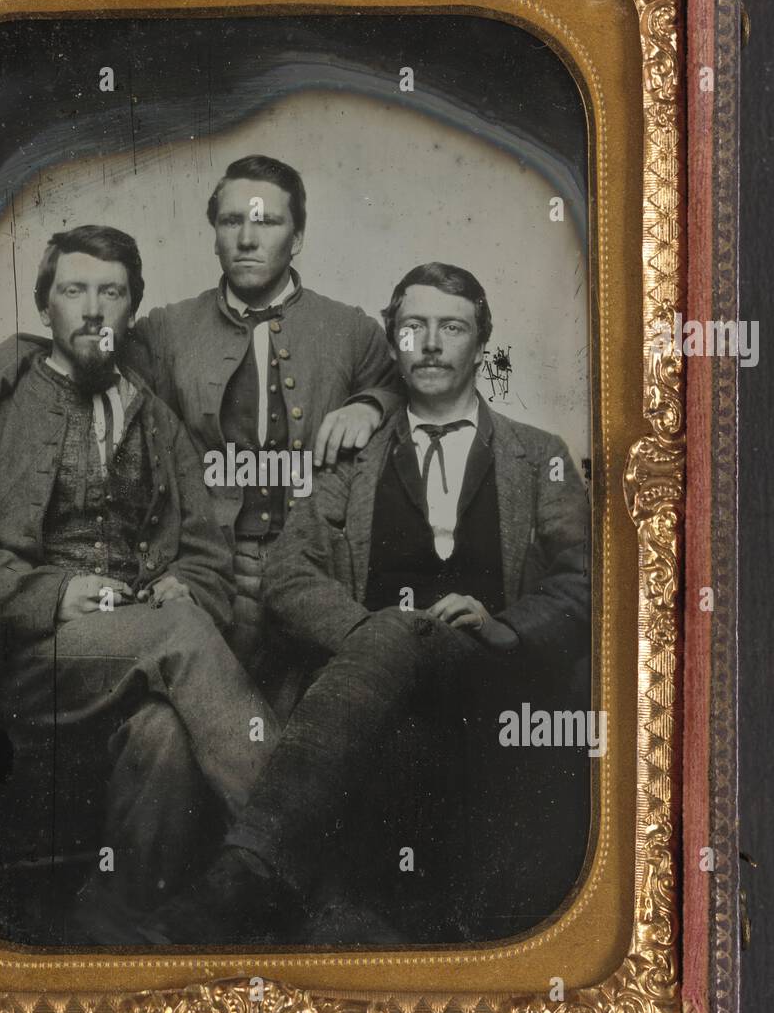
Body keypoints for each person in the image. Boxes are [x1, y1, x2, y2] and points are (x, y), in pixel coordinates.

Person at [142, 263, 592, 946]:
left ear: (481, 343)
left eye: (452, 328)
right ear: (393, 340)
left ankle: (247, 874)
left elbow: (581, 583)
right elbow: (288, 572)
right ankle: (349, 916)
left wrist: (501, 627)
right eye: (414, 328)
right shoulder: (346, 457)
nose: (432, 344)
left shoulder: (539, 456)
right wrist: (376, 638)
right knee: (395, 677)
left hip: (493, 677)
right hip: (368, 692)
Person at [0, 225, 278, 942]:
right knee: (178, 639)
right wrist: (52, 596)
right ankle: (301, 860)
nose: (92, 309)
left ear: (130, 308)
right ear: (45, 305)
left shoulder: (156, 420)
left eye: (110, 293)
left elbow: (204, 552)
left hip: (147, 653)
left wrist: (186, 585)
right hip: (33, 663)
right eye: (74, 290)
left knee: (168, 731)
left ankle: (114, 913)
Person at [0, 156, 404, 703]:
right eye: (232, 221)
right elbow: (82, 345)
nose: (248, 239)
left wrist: (373, 403)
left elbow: (418, 391)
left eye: (267, 223)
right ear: (213, 236)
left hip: (317, 574)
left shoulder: (350, 330)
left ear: (297, 237)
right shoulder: (165, 329)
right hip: (215, 575)